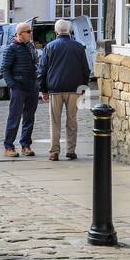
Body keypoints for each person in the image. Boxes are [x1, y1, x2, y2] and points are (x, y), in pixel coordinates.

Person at [38, 18, 90, 161]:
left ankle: (54, 151)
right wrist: (83, 88)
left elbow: (42, 70)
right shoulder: (79, 47)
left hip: (55, 88)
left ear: (56, 32)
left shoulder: (49, 47)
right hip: (74, 89)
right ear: (70, 31)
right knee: (72, 120)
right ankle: (71, 150)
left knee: (55, 121)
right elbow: (86, 70)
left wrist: (43, 90)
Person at [0, 22, 40, 158]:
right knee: (14, 117)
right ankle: (9, 146)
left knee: (29, 117)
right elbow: (4, 69)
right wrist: (13, 85)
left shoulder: (30, 46)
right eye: (28, 32)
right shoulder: (11, 49)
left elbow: (35, 63)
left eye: (30, 31)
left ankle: (26, 145)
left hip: (32, 86)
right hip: (18, 87)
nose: (31, 34)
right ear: (20, 34)